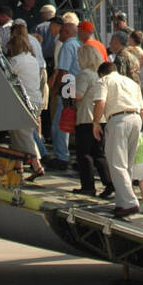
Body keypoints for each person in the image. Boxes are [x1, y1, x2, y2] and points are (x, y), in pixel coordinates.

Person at [92, 57, 143, 217]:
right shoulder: (132, 83)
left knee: (116, 163)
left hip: (117, 118)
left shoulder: (104, 81)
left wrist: (96, 123)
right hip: (136, 118)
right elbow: (142, 110)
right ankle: (121, 202)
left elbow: (100, 102)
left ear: (101, 73)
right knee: (127, 163)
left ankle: (129, 202)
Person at [70, 44, 114, 198]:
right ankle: (109, 183)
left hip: (86, 118)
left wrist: (68, 90)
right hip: (100, 117)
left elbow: (78, 95)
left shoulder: (84, 74)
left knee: (84, 154)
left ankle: (88, 186)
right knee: (99, 153)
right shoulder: (99, 75)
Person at [5, 24, 45, 180]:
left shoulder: (15, 61)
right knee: (18, 133)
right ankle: (18, 167)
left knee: (23, 134)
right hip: (36, 100)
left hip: (24, 101)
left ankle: (36, 165)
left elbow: (5, 77)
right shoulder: (32, 60)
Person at [48, 19, 81, 171]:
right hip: (78, 87)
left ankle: (61, 156)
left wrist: (55, 90)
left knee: (60, 124)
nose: (58, 34)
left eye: (61, 31)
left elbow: (63, 70)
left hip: (68, 87)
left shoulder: (67, 46)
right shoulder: (79, 44)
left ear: (66, 32)